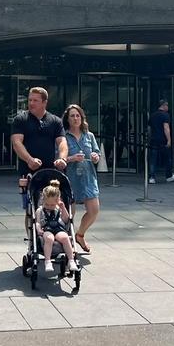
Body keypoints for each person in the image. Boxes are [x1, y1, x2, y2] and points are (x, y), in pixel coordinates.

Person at [11, 87, 68, 223]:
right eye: (30, 100)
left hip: (51, 170)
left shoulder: (55, 121)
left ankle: (56, 228)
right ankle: (33, 234)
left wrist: (62, 159)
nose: (31, 103)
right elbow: (17, 143)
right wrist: (29, 159)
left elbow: (62, 142)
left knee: (56, 201)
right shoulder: (21, 119)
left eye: (35, 100)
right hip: (28, 171)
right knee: (30, 208)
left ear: (44, 102)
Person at [63, 104, 101, 254]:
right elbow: (58, 157)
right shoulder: (64, 137)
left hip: (88, 177)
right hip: (71, 178)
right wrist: (71, 158)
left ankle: (80, 234)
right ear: (67, 119)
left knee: (94, 210)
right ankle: (68, 241)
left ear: (82, 118)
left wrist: (96, 156)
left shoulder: (89, 135)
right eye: (72, 116)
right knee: (69, 214)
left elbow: (97, 153)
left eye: (78, 115)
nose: (75, 118)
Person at [35, 182, 78, 275]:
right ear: (43, 200)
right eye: (47, 204)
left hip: (58, 228)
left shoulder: (59, 209)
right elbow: (37, 222)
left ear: (57, 201)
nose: (50, 207)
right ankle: (47, 261)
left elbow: (66, 220)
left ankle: (71, 260)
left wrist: (63, 208)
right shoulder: (40, 210)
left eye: (52, 205)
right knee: (49, 238)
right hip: (47, 229)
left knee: (65, 237)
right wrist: (39, 229)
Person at [148, 99, 174, 184]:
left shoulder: (153, 115)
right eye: (167, 105)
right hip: (163, 139)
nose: (168, 107)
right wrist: (169, 140)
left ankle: (151, 177)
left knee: (153, 159)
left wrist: (150, 138)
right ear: (164, 105)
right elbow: (166, 128)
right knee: (167, 158)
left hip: (154, 139)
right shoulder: (165, 115)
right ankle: (168, 176)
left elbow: (149, 128)